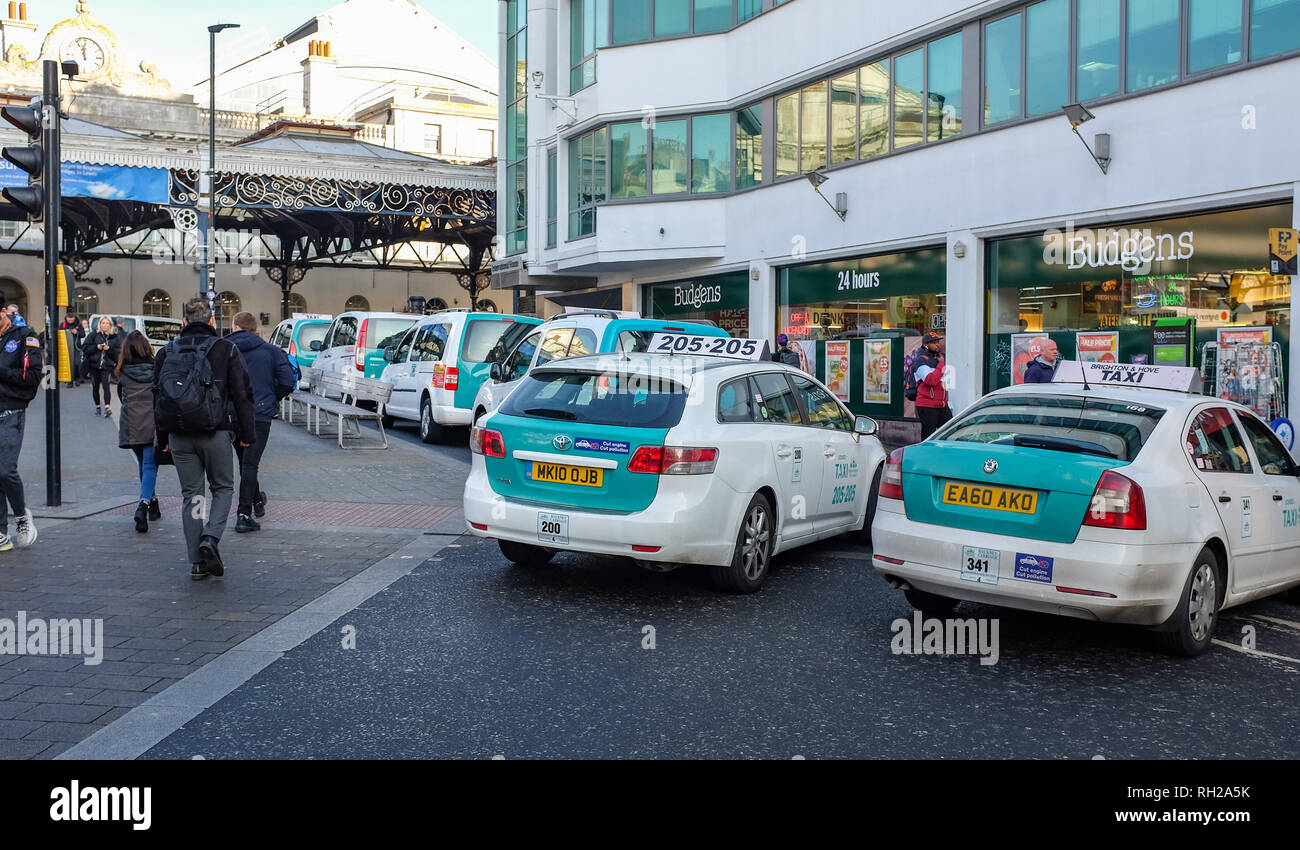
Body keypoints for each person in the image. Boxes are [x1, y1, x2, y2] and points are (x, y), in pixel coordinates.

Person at [154, 297, 256, 580]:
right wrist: (247, 436)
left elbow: (158, 398)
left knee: (192, 496)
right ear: (212, 321)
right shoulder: (226, 349)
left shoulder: (166, 352)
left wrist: (162, 438)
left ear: (184, 322)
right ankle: (210, 537)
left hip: (179, 436)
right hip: (216, 433)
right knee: (222, 488)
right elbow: (243, 396)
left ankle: (197, 563)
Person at [226, 311, 297, 533]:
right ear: (255, 330)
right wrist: (270, 397)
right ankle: (244, 513)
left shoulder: (223, 349)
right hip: (260, 413)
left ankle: (256, 500)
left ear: (235, 327)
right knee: (250, 463)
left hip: (231, 414)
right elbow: (288, 381)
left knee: (245, 461)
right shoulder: (272, 351)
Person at [0, 308, 41, 551]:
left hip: (11, 411)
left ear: (3, 311)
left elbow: (32, 377)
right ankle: (1, 532)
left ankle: (21, 515)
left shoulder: (25, 336)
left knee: (5, 470)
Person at [116, 330, 163, 533]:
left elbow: (120, 396)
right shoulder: (156, 371)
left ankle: (152, 504)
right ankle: (144, 505)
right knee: (150, 465)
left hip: (131, 426)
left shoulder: (122, 373)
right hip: (152, 425)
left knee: (144, 465)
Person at [913, 331, 953, 440]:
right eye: (934, 342)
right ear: (926, 344)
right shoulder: (921, 360)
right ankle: (925, 456)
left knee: (951, 433)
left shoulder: (937, 358)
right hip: (927, 406)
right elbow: (930, 380)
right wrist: (941, 365)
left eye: (938, 342)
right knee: (928, 437)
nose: (938, 345)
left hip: (942, 405)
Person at [82, 316, 122, 417]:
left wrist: (109, 349)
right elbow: (85, 348)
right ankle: (98, 406)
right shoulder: (93, 335)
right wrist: (97, 347)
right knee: (95, 387)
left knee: (106, 385)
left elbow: (118, 353)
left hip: (107, 366)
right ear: (99, 325)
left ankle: (107, 407)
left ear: (110, 325)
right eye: (102, 323)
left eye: (107, 323)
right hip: (93, 366)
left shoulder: (115, 337)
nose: (104, 325)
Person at [60, 311, 85, 387]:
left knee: (77, 363)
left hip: (76, 347)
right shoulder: (63, 325)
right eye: (69, 319)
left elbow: (83, 334)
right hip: (66, 347)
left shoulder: (78, 325)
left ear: (74, 318)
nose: (70, 321)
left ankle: (77, 379)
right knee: (69, 364)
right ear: (66, 318)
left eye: (72, 320)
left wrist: (77, 332)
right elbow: (59, 333)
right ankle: (69, 381)